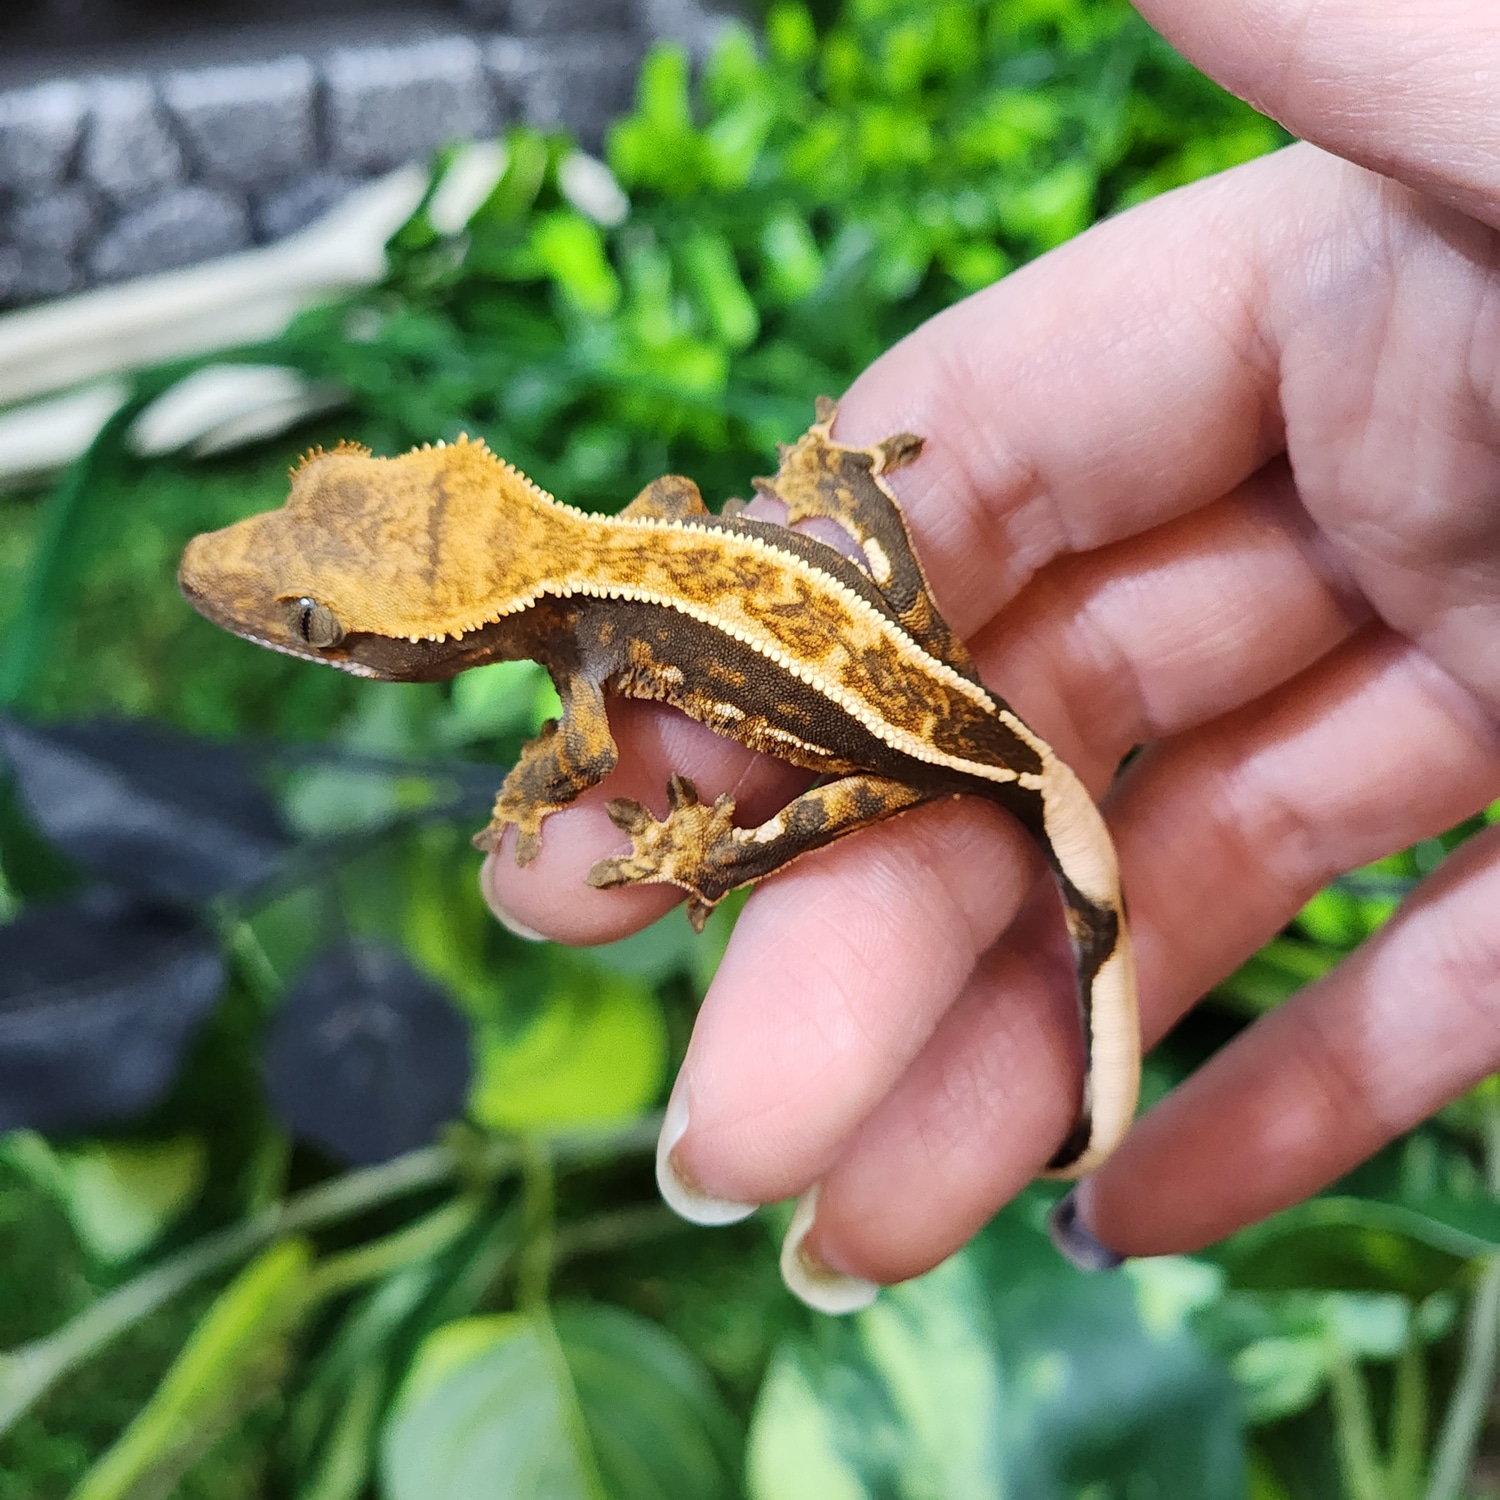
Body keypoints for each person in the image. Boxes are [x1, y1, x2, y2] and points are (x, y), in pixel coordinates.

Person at [484, 0, 1500, 1310]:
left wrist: (618, 820)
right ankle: (1070, 1081)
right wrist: (836, 494)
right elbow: (675, 502)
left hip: (905, 733)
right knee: (912, 696)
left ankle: (724, 854)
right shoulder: (608, 582)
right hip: (909, 684)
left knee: (798, 827)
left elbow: (583, 737)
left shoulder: (582, 660)